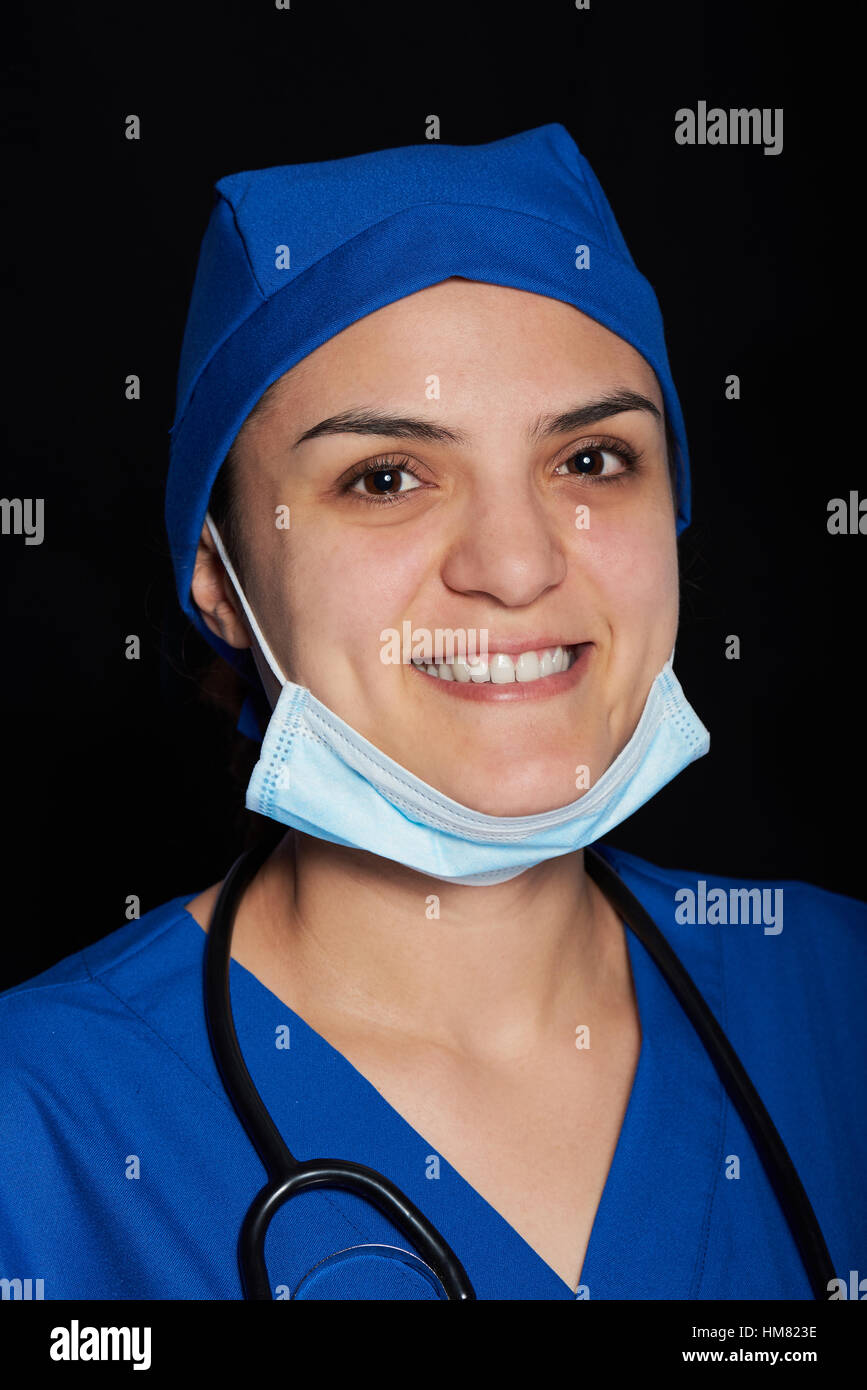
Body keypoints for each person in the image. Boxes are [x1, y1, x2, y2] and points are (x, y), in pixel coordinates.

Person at [1, 124, 864, 1302]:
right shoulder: (40, 1124)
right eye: (387, 477)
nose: (516, 566)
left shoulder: (834, 990)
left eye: (592, 460)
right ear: (220, 580)